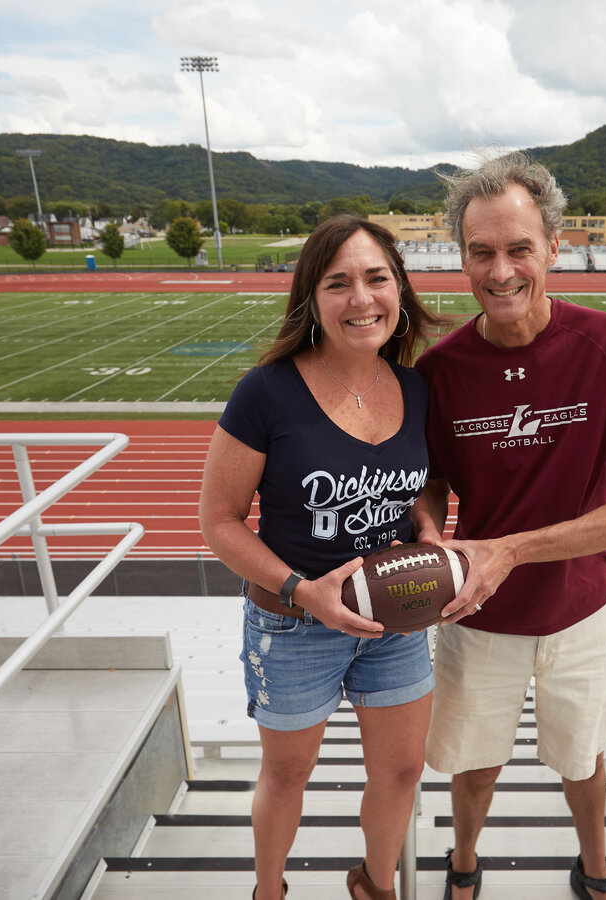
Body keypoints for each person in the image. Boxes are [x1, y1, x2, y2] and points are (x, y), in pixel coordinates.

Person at [410, 151, 606, 900]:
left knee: (583, 760)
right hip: (476, 614)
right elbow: (432, 483)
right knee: (474, 763)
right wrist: (429, 530)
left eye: (519, 248)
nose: (501, 272)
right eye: (481, 252)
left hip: (579, 610)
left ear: (555, 247)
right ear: (461, 258)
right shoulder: (440, 372)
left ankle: (595, 869)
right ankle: (463, 863)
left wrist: (510, 551)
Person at [199, 215, 445, 900]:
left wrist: (429, 525)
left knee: (402, 770)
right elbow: (219, 522)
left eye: (376, 279)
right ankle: (269, 891)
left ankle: (376, 885)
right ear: (311, 298)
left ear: (399, 290)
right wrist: (303, 590)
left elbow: (424, 485)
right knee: (288, 775)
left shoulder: (416, 387)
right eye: (338, 283)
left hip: (393, 619)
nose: (361, 299)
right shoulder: (266, 392)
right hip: (293, 625)